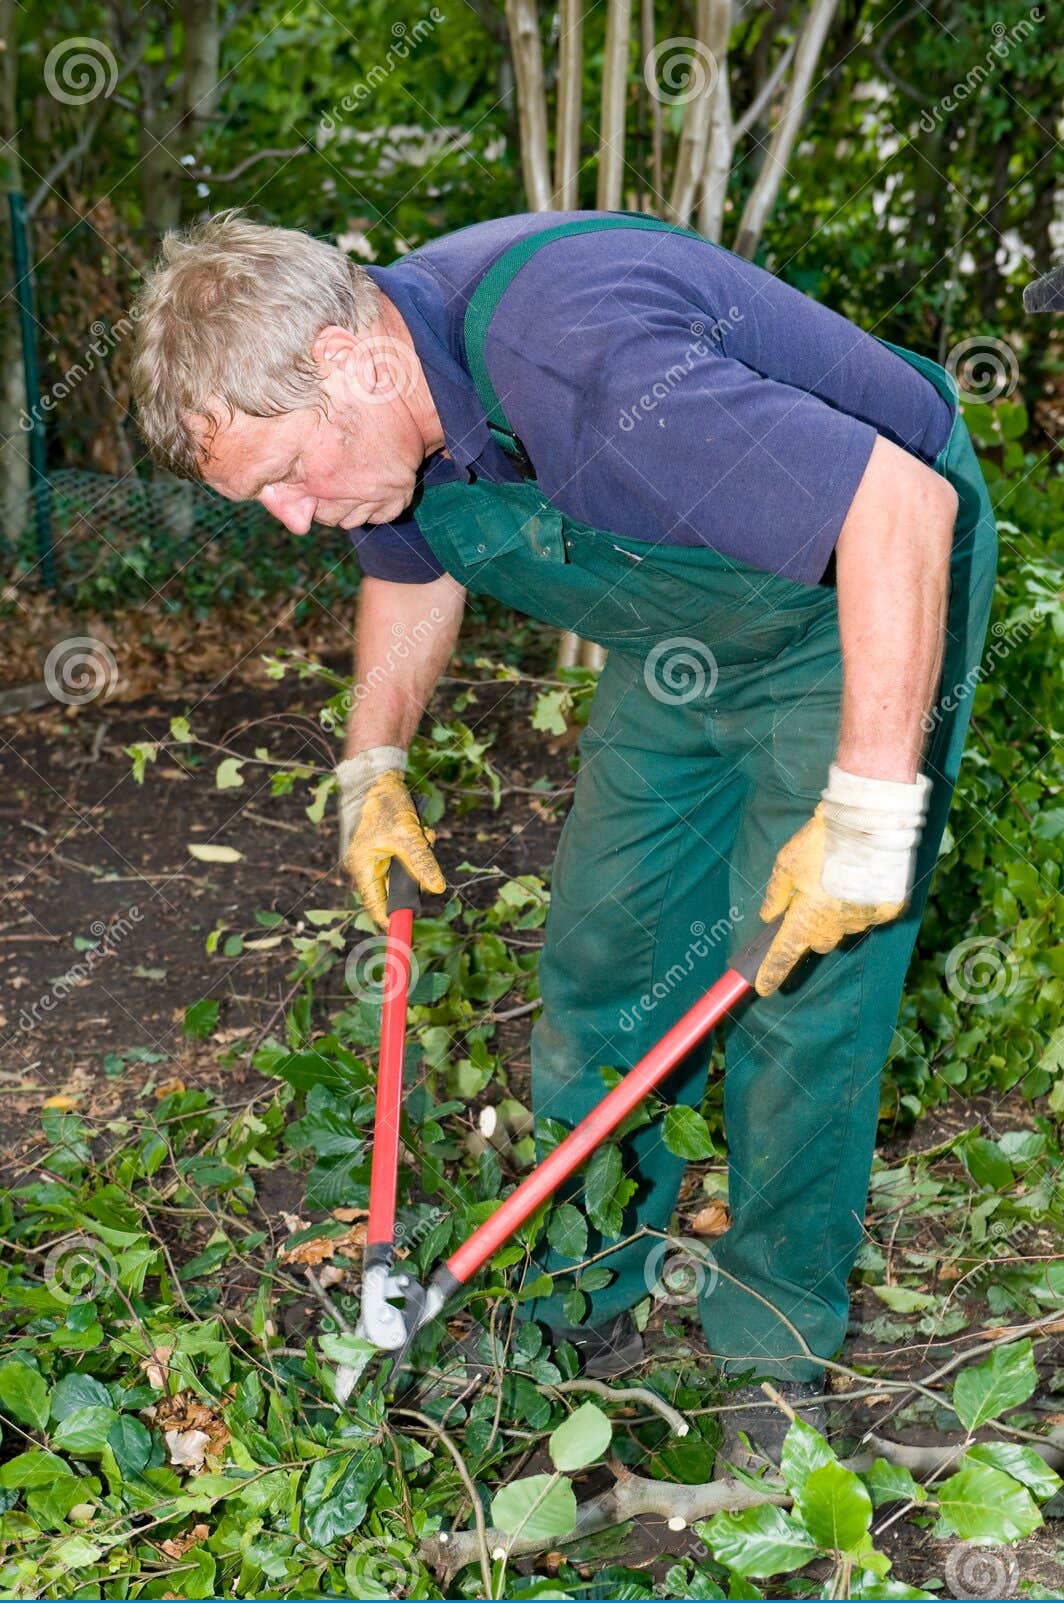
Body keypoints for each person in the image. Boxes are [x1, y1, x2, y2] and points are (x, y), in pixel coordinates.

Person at [131, 209, 998, 1467]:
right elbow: (412, 564)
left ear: (350, 359)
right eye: (261, 494)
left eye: (285, 472)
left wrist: (867, 810)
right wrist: (373, 761)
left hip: (856, 600)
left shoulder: (580, 355)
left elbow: (897, 510)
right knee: (606, 952)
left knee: (799, 979)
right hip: (689, 633)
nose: (291, 518)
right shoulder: (395, 411)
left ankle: (769, 1349)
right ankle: (580, 1288)